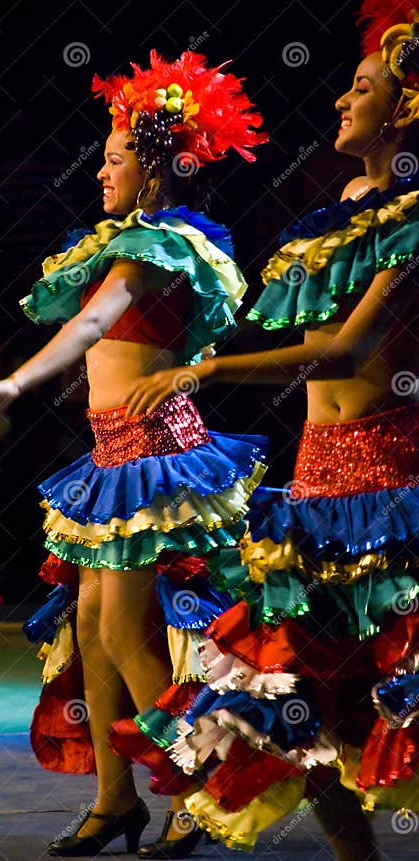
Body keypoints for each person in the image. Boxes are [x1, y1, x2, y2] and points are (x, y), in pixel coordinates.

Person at [118, 5, 419, 860]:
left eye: (362, 90)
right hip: (320, 484)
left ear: (405, 112)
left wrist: (209, 371)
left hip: (391, 487)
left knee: (390, 684)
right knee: (300, 698)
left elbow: (343, 349)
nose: (339, 104)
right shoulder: (341, 214)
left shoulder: (412, 220)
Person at [0, 49, 267, 857]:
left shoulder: (157, 246)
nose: (100, 171)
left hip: (152, 457)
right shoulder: (128, 240)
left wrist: (13, 385)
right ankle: (115, 798)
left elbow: (91, 325)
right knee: (93, 628)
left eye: (116, 157)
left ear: (158, 169)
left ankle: (201, 788)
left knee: (128, 632)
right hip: (111, 454)